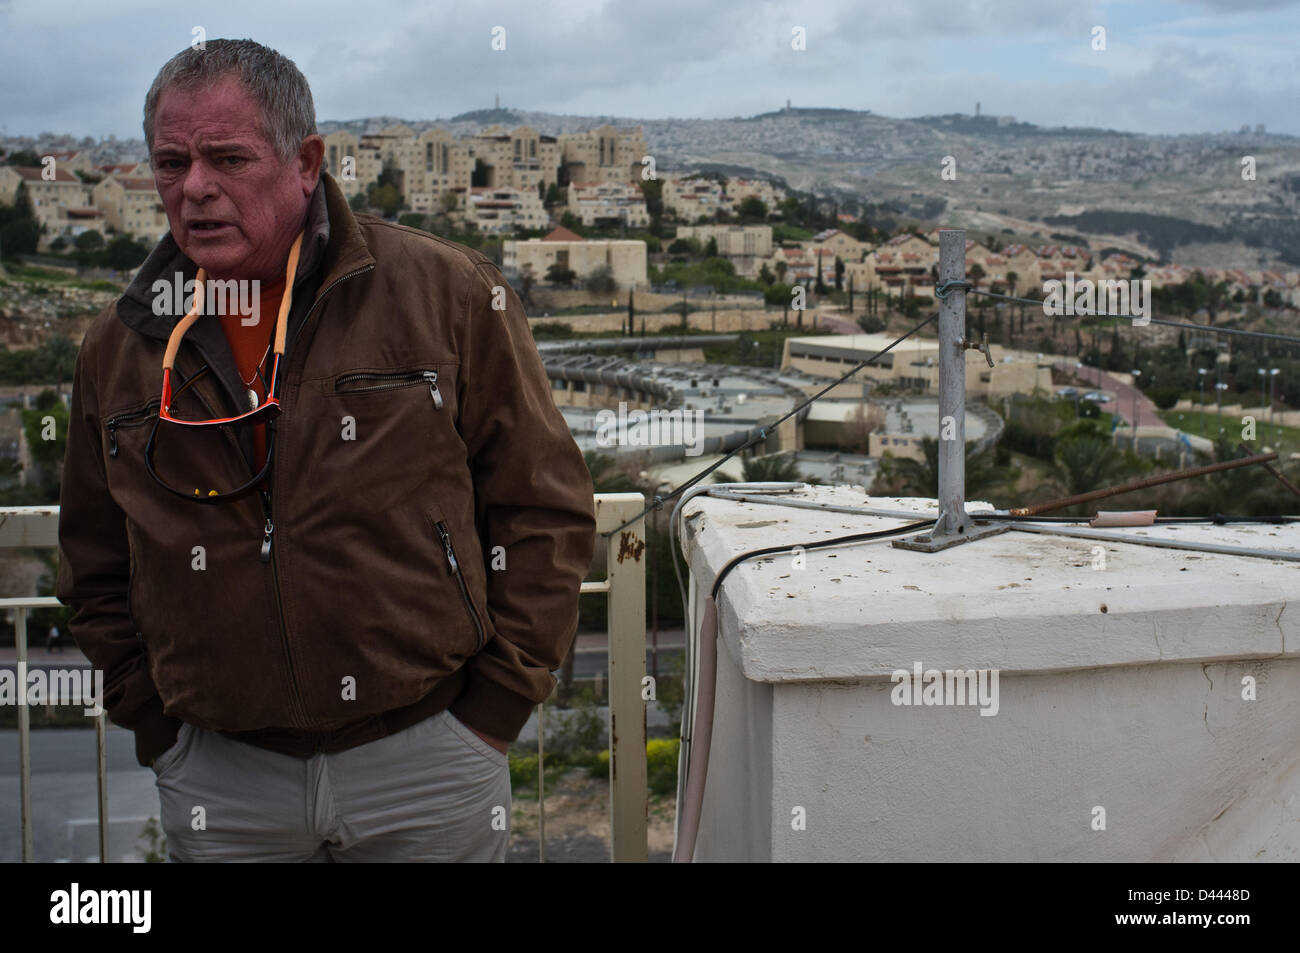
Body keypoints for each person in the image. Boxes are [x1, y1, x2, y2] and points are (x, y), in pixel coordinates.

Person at [55, 39, 596, 862]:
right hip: (222, 780)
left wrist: (493, 713)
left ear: (306, 162)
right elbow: (93, 557)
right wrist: (160, 730)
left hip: (428, 760)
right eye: (171, 163)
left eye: (227, 159)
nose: (194, 188)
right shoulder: (121, 342)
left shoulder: (445, 294)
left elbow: (541, 507)